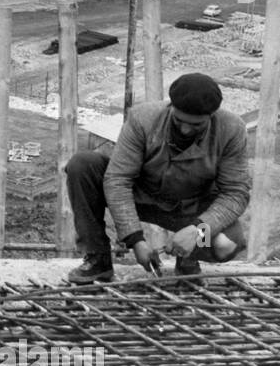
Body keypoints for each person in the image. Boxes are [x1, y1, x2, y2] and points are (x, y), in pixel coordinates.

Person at [65, 72, 249, 284]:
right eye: (179, 121)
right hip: (142, 197)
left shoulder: (232, 129)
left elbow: (236, 193)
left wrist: (198, 230)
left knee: (225, 245)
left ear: (212, 116)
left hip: (192, 209)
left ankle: (188, 257)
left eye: (196, 125)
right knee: (82, 165)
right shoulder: (143, 119)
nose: (186, 129)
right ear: (171, 107)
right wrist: (135, 240)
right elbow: (118, 180)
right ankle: (98, 260)